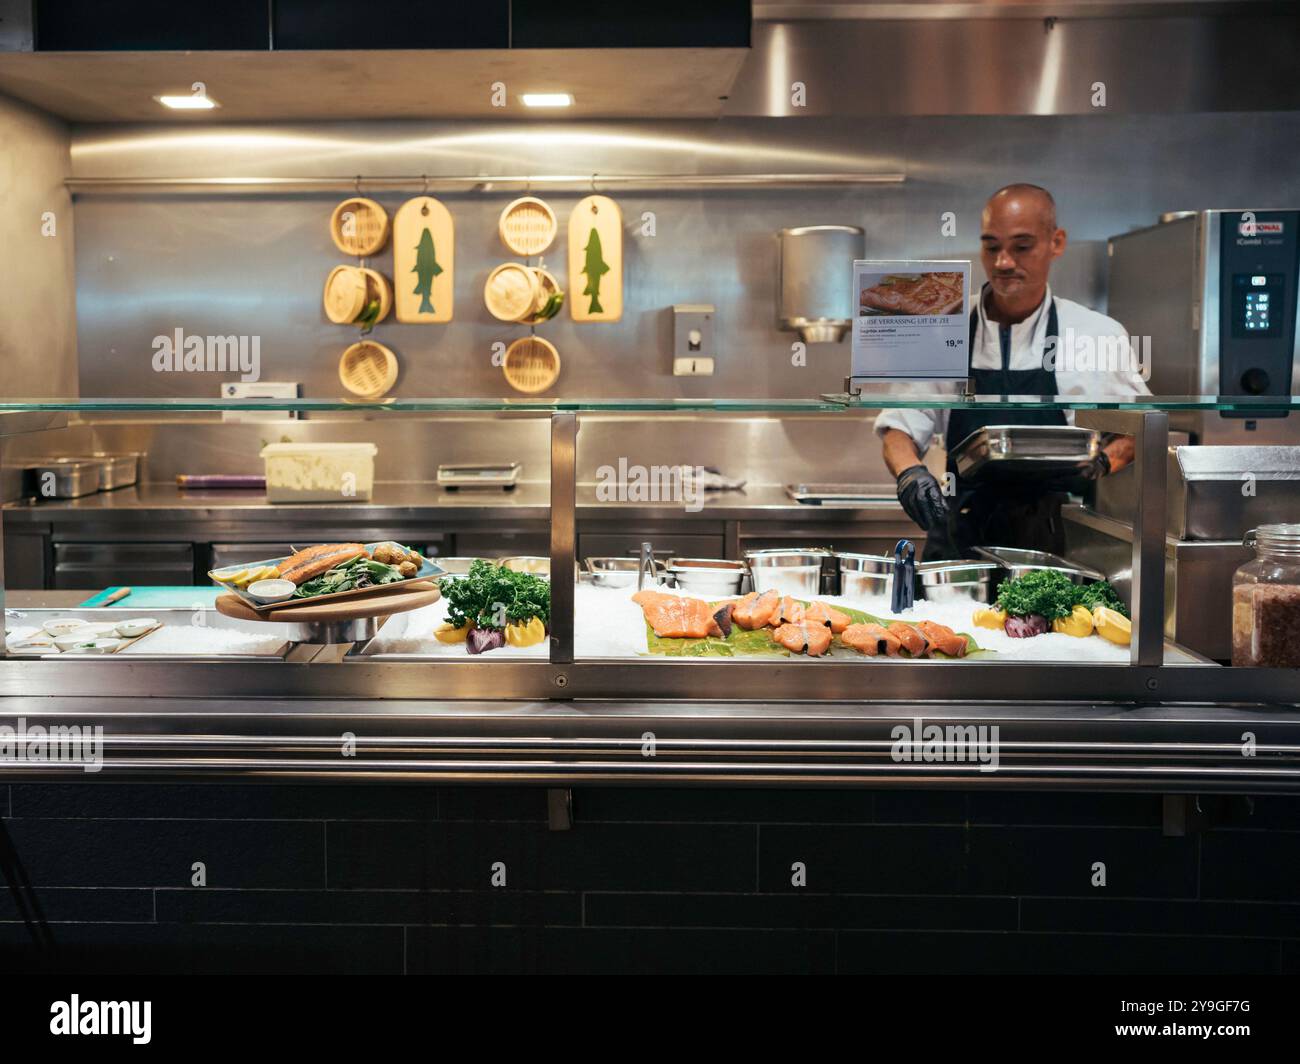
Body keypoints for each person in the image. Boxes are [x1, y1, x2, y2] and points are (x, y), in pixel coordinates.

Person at [876, 183, 1151, 560]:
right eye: (992, 247)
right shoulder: (943, 323)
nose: (1003, 262)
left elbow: (1141, 430)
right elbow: (900, 427)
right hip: (960, 542)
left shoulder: (1096, 333)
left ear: (1056, 242)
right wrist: (911, 474)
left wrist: (1103, 462)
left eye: (1021, 247)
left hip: (1063, 543)